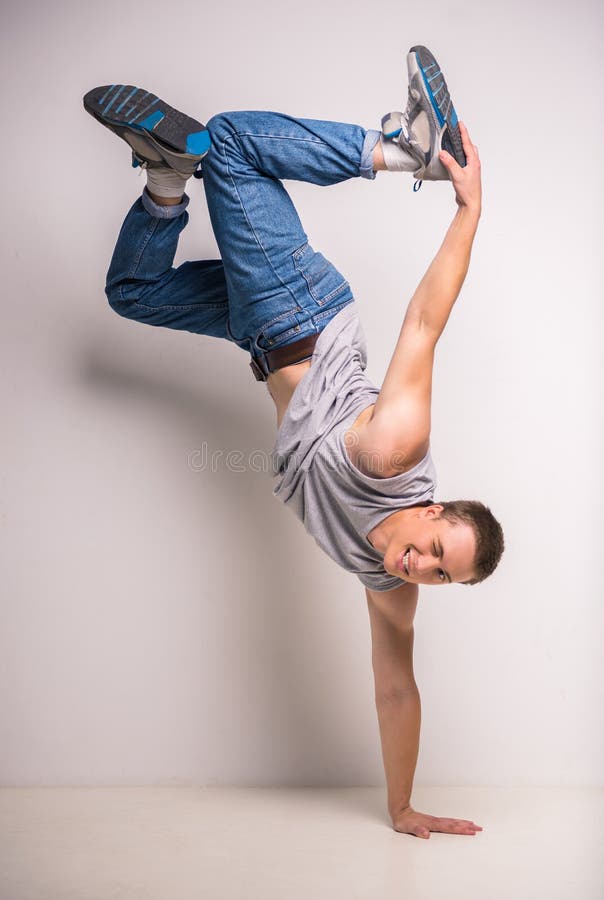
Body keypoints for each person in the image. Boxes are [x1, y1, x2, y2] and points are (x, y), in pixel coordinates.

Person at [83, 44, 503, 839]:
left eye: (436, 575)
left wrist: (402, 805)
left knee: (133, 291)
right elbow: (424, 323)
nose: (417, 566)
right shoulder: (397, 454)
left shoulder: (386, 581)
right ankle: (405, 149)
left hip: (259, 333)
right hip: (299, 310)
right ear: (431, 507)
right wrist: (467, 209)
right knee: (235, 141)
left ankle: (167, 179)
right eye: (433, 546)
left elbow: (395, 690)